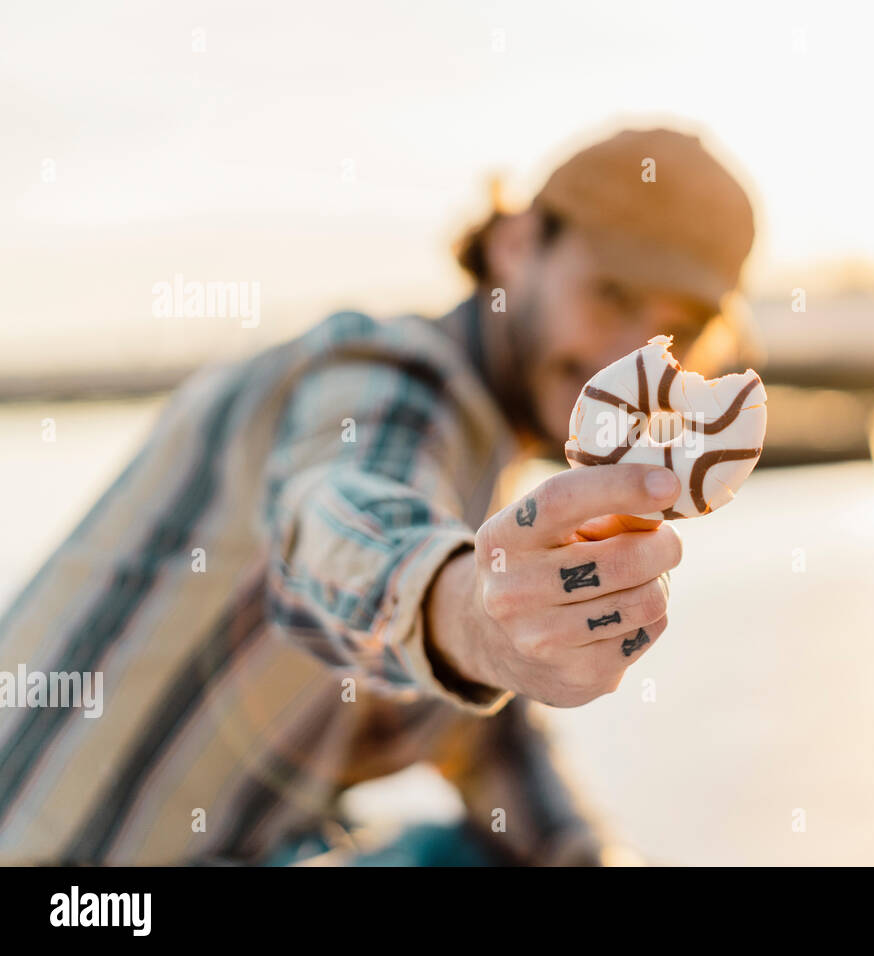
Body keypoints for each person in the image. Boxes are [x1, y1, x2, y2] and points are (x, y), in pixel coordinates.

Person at [0, 126, 758, 865]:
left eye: (677, 331)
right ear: (518, 246)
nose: (626, 357)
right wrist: (468, 613)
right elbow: (336, 516)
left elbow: (493, 742)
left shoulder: (484, 474)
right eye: (611, 297)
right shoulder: (385, 372)